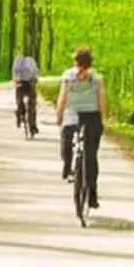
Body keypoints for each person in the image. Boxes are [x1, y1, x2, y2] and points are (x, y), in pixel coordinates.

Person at [55, 46, 106, 208]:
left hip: (72, 116)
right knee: (91, 156)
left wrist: (58, 117)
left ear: (75, 61)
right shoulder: (97, 78)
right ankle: (92, 194)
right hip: (92, 118)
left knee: (66, 138)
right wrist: (103, 119)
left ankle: (67, 168)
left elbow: (62, 98)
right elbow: (101, 100)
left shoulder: (68, 77)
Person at [11, 50, 40, 133]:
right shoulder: (19, 60)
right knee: (20, 101)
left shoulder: (31, 60)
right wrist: (16, 80)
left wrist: (35, 79)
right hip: (21, 82)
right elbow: (15, 71)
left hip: (29, 82)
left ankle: (32, 125)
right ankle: (19, 113)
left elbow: (35, 72)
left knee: (32, 104)